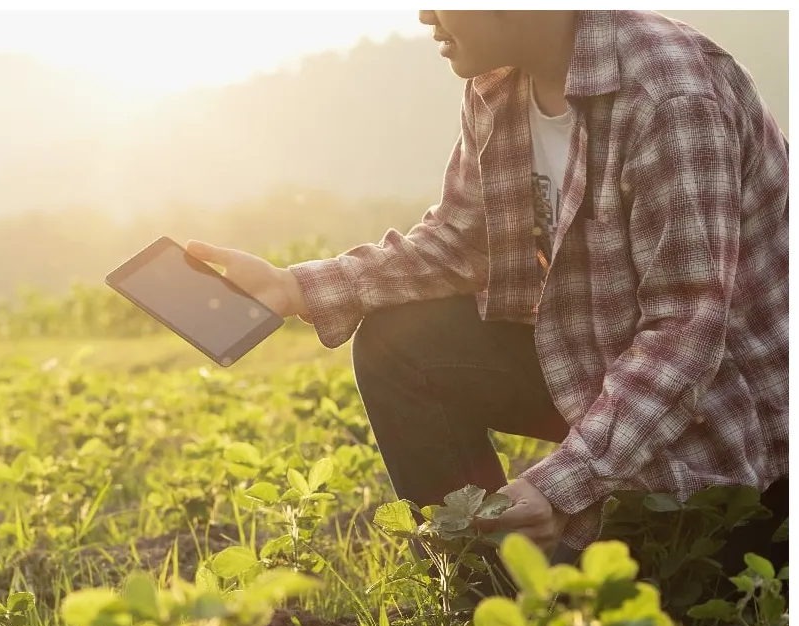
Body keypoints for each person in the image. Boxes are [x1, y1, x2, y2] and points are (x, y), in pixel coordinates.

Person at [186, 10, 788, 574]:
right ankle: (480, 584)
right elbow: (463, 239)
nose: (426, 15)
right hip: (600, 374)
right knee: (400, 343)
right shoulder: (499, 83)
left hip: (727, 429)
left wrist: (561, 486)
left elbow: (685, 333)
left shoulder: (671, 97)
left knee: (619, 608)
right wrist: (292, 286)